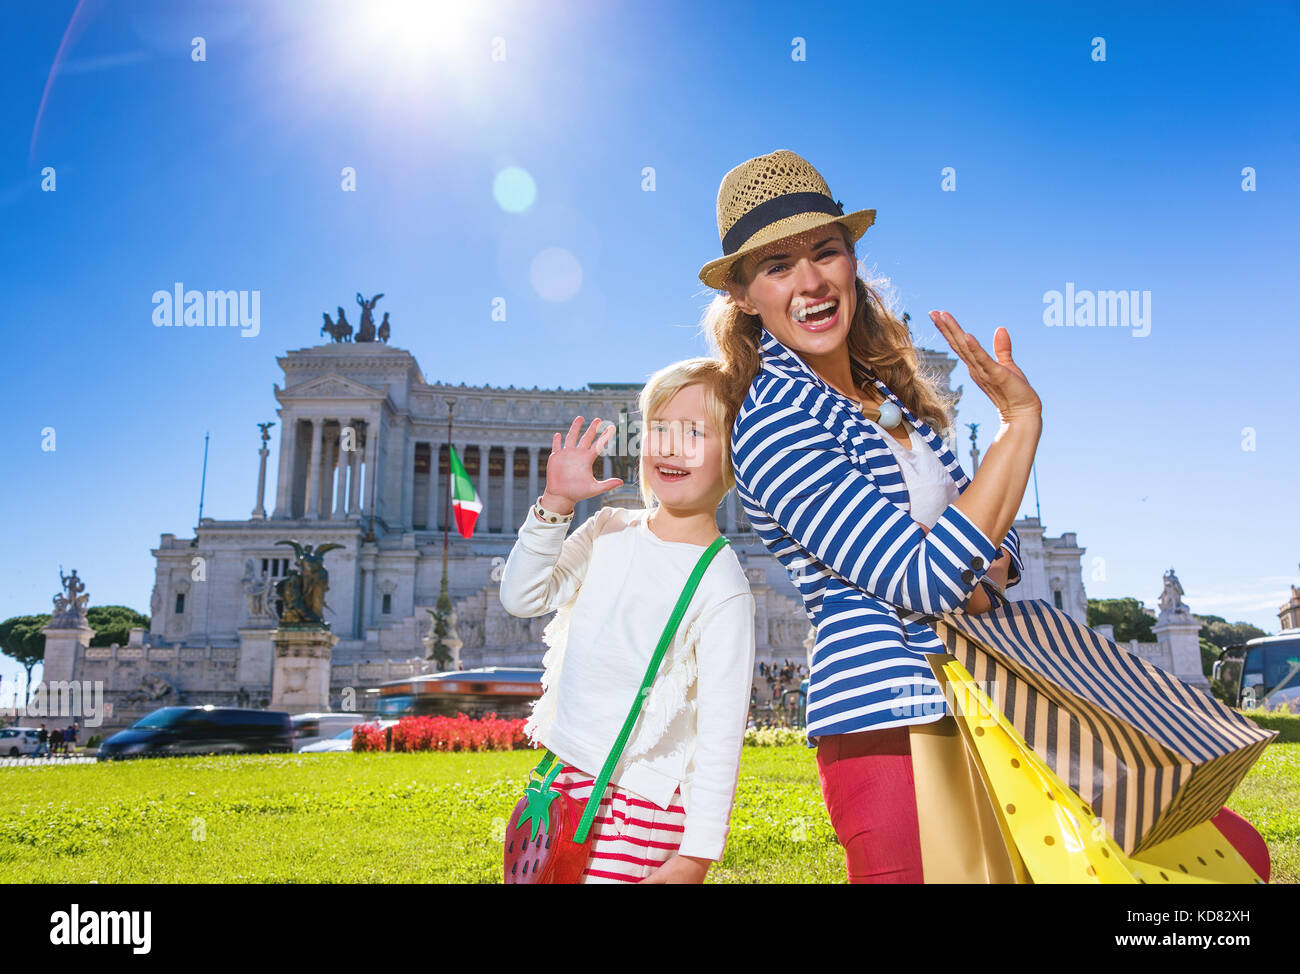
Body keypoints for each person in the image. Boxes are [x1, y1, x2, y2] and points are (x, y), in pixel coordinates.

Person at [700, 149, 1268, 883]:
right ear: (745, 295)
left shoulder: (886, 400)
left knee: (1218, 856)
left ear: (851, 261)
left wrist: (973, 557)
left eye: (825, 251)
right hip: (894, 721)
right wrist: (1019, 426)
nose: (810, 281)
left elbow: (993, 552)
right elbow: (928, 575)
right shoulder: (776, 420)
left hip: (995, 695)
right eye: (777, 266)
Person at [499, 358, 756, 884]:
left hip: (640, 805)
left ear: (735, 455)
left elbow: (720, 734)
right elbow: (524, 596)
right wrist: (556, 503)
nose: (670, 445)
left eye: (695, 432)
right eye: (658, 428)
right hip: (561, 786)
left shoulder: (723, 584)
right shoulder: (607, 528)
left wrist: (697, 855)